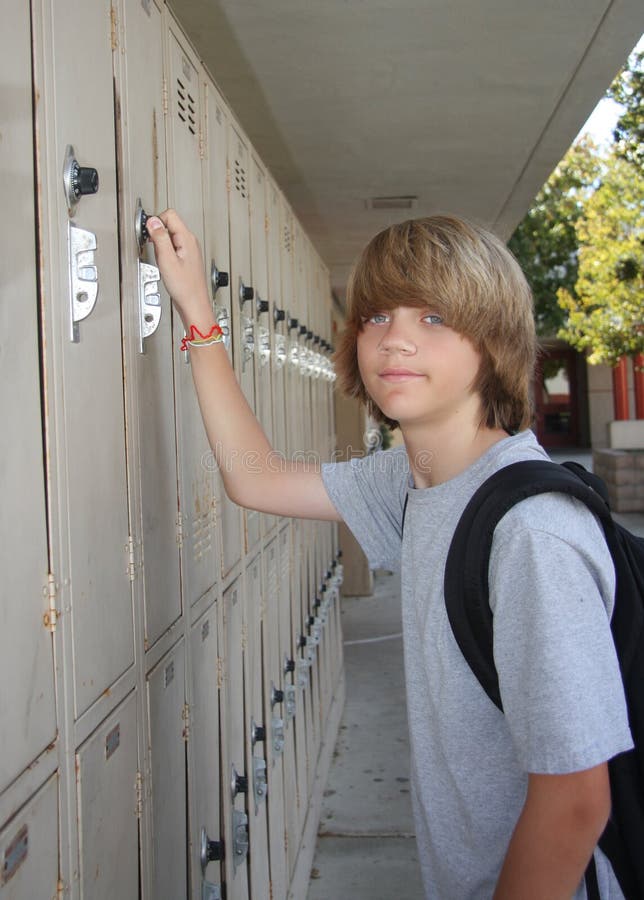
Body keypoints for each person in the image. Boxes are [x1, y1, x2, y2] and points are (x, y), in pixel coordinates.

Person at [147, 210, 633, 899]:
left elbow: (577, 798)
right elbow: (253, 476)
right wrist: (198, 312)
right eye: (376, 316)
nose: (395, 340)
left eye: (433, 317)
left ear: (494, 342)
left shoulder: (531, 532)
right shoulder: (414, 477)